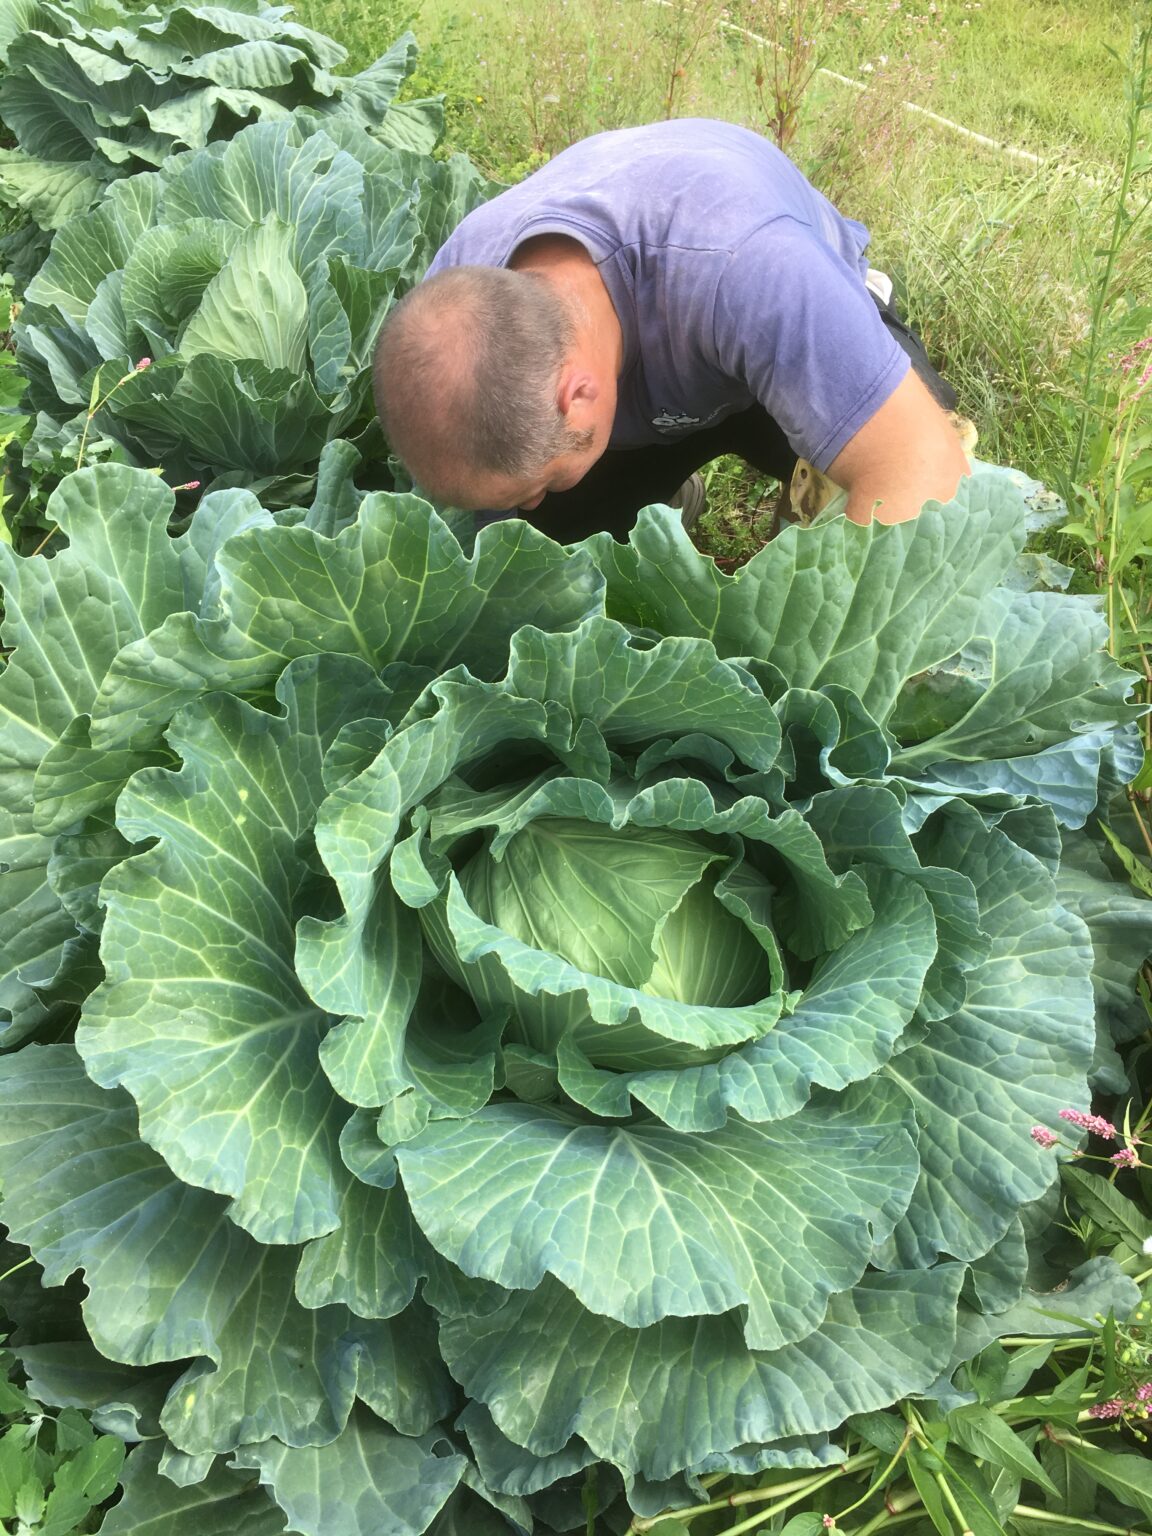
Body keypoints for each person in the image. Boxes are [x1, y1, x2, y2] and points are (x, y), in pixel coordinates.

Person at [373, 118, 969, 543]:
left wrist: (820, 639)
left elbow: (921, 469)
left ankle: (806, 514)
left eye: (532, 486)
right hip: (664, 391)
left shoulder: (747, 268)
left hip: (774, 347)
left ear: (577, 395)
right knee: (546, 547)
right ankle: (663, 503)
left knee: (918, 508)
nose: (528, 501)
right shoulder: (454, 310)